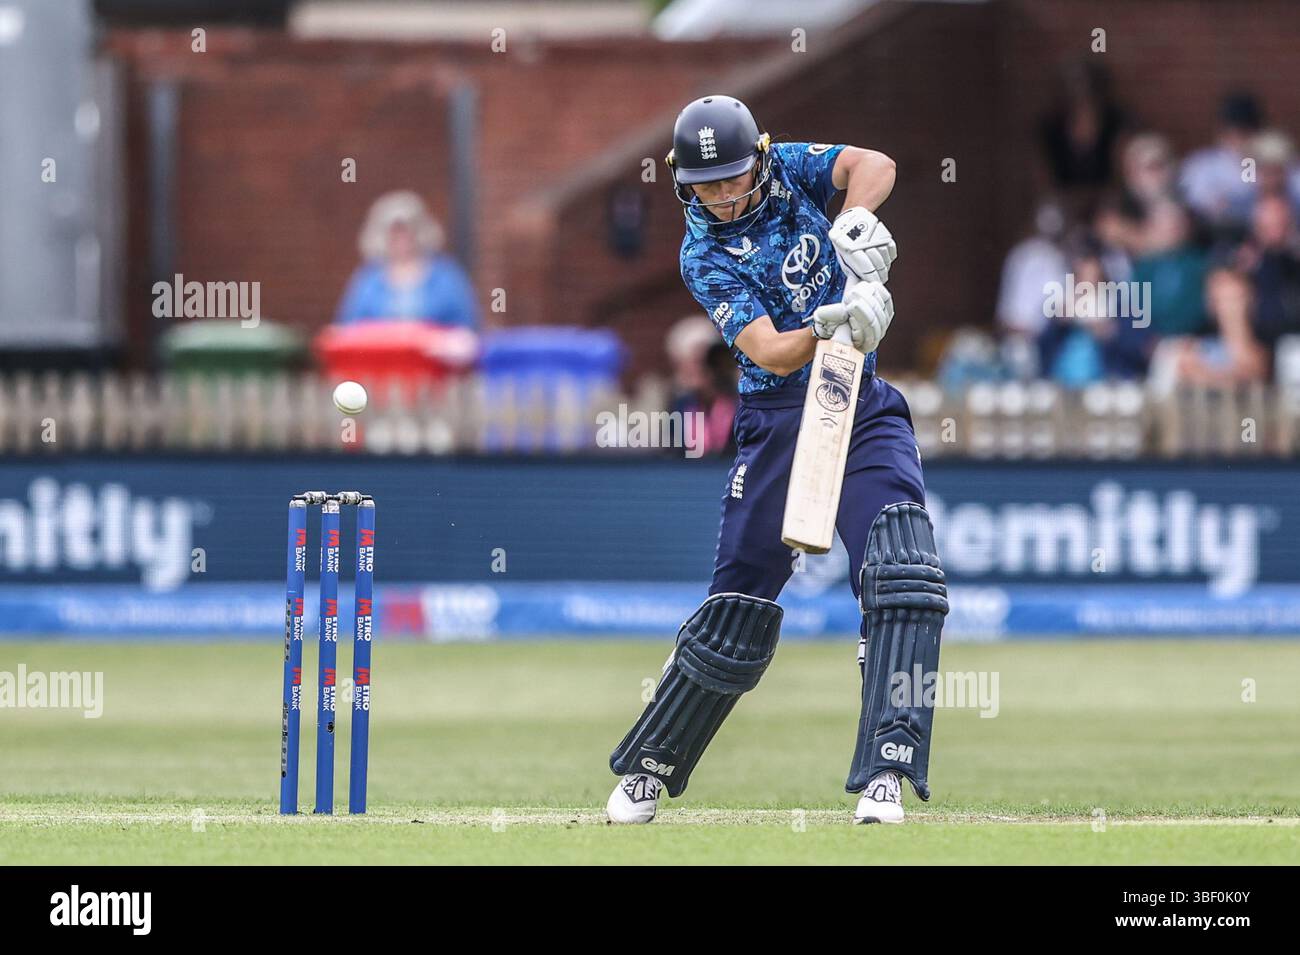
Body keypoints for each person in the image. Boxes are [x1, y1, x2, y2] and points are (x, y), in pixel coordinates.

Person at [605, 95, 948, 825]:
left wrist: (855, 220)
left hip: (859, 403)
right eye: (709, 185)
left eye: (735, 177)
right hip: (778, 420)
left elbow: (873, 164)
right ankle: (650, 766)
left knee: (903, 568)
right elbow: (765, 348)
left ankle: (887, 766)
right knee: (738, 607)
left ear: (759, 158)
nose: (726, 196)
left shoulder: (790, 169)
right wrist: (834, 323)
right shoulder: (701, 254)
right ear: (684, 185)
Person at [335, 190, 479, 328]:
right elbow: (349, 326)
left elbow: (467, 323)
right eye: (394, 233)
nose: (401, 239)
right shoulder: (367, 281)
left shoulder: (446, 276)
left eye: (406, 231)